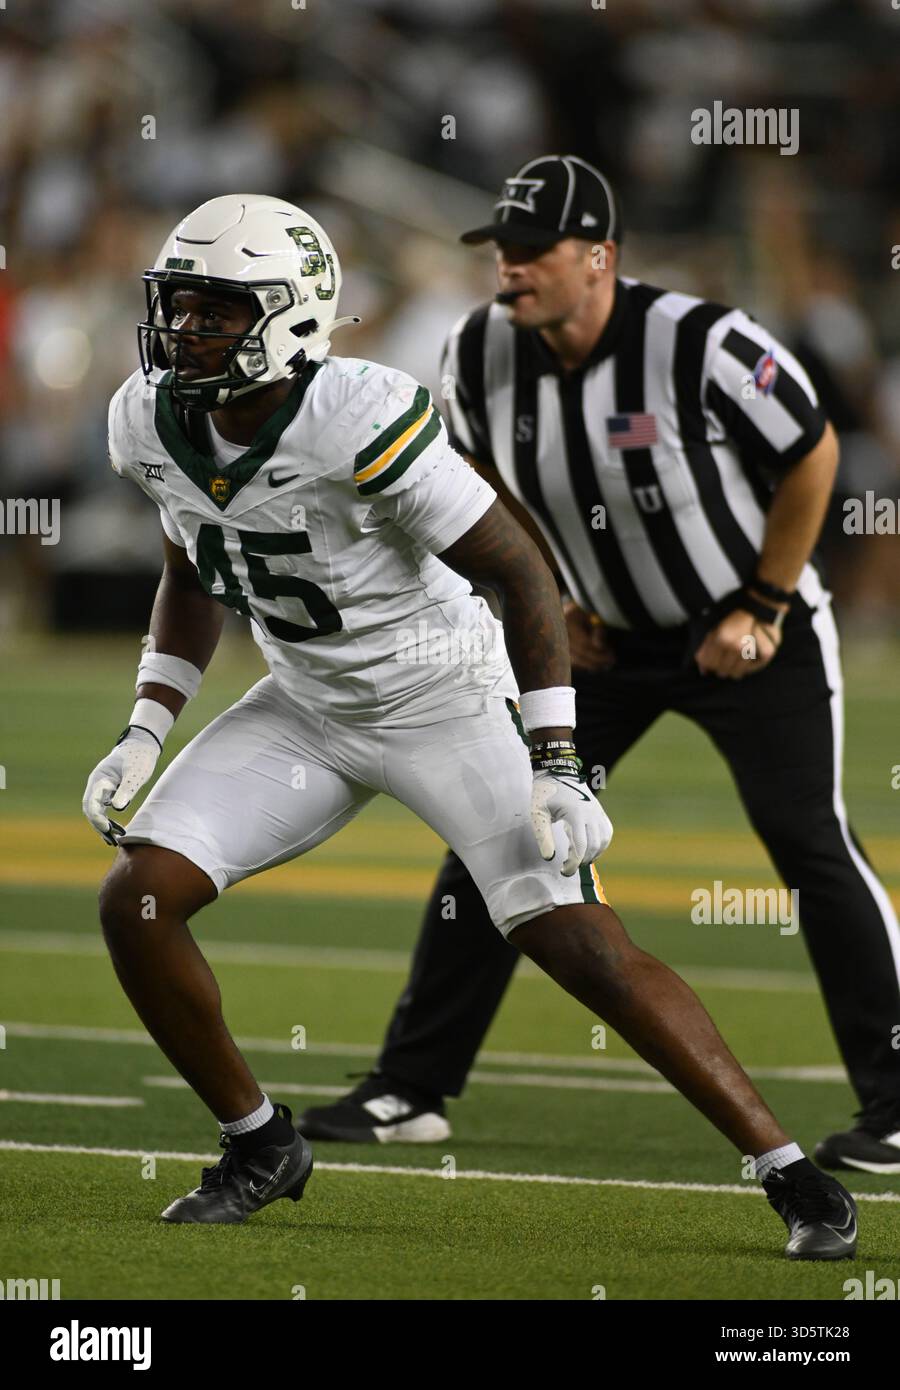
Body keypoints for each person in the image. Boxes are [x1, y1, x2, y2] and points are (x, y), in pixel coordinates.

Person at [82, 192, 856, 1257]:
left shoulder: (354, 413)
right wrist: (147, 721)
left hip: (441, 695)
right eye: (177, 306)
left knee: (572, 939)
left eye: (216, 311)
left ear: (290, 317)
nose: (185, 332)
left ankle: (791, 1173)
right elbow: (193, 561)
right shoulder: (146, 415)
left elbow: (521, 572)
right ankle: (260, 1142)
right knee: (138, 902)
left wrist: (559, 761)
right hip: (306, 705)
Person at [298, 155, 900, 1178]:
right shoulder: (479, 352)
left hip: (748, 631)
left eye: (533, 252)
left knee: (807, 837)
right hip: (604, 640)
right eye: (501, 252)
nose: (511, 271)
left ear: (600, 257)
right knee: (502, 826)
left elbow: (812, 453)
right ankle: (413, 1085)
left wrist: (760, 603)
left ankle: (897, 1103)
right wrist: (554, 594)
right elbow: (476, 486)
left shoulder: (701, 343)